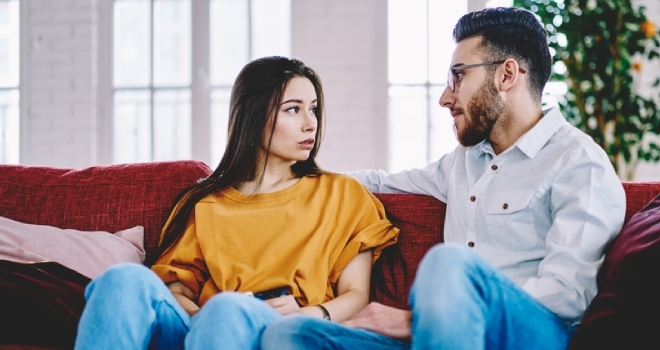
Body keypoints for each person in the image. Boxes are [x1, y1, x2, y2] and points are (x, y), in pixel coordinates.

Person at [261, 7, 626, 350]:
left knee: (448, 263)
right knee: (291, 333)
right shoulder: (465, 161)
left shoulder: (578, 163)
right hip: (438, 331)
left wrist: (418, 317)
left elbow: (568, 295)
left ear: (507, 74)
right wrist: (276, 178)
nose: (444, 98)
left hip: (534, 331)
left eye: (458, 76)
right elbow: (378, 182)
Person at [73, 56, 399, 350]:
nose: (310, 123)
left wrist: (309, 313)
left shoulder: (342, 194)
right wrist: (204, 316)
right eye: (293, 109)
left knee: (227, 307)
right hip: (204, 326)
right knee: (122, 279)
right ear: (254, 117)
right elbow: (177, 291)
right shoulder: (207, 203)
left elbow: (357, 295)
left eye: (313, 108)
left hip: (280, 327)